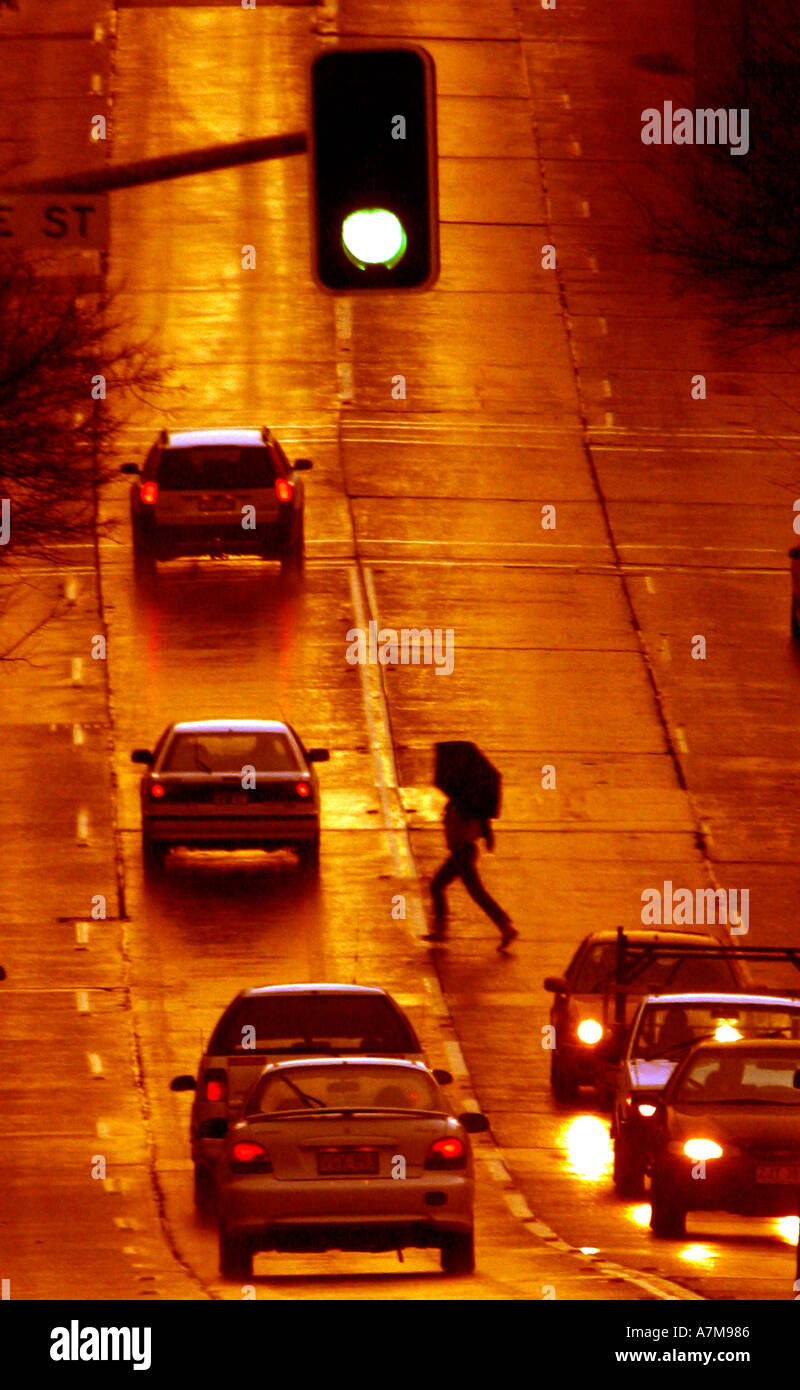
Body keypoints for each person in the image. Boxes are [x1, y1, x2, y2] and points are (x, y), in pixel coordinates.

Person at [427, 799, 517, 951]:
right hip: (459, 853)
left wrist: (486, 833)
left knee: (474, 892)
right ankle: (505, 926)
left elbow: (476, 823)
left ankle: (505, 927)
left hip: (464, 853)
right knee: (438, 886)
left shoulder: (466, 805)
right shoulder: (456, 803)